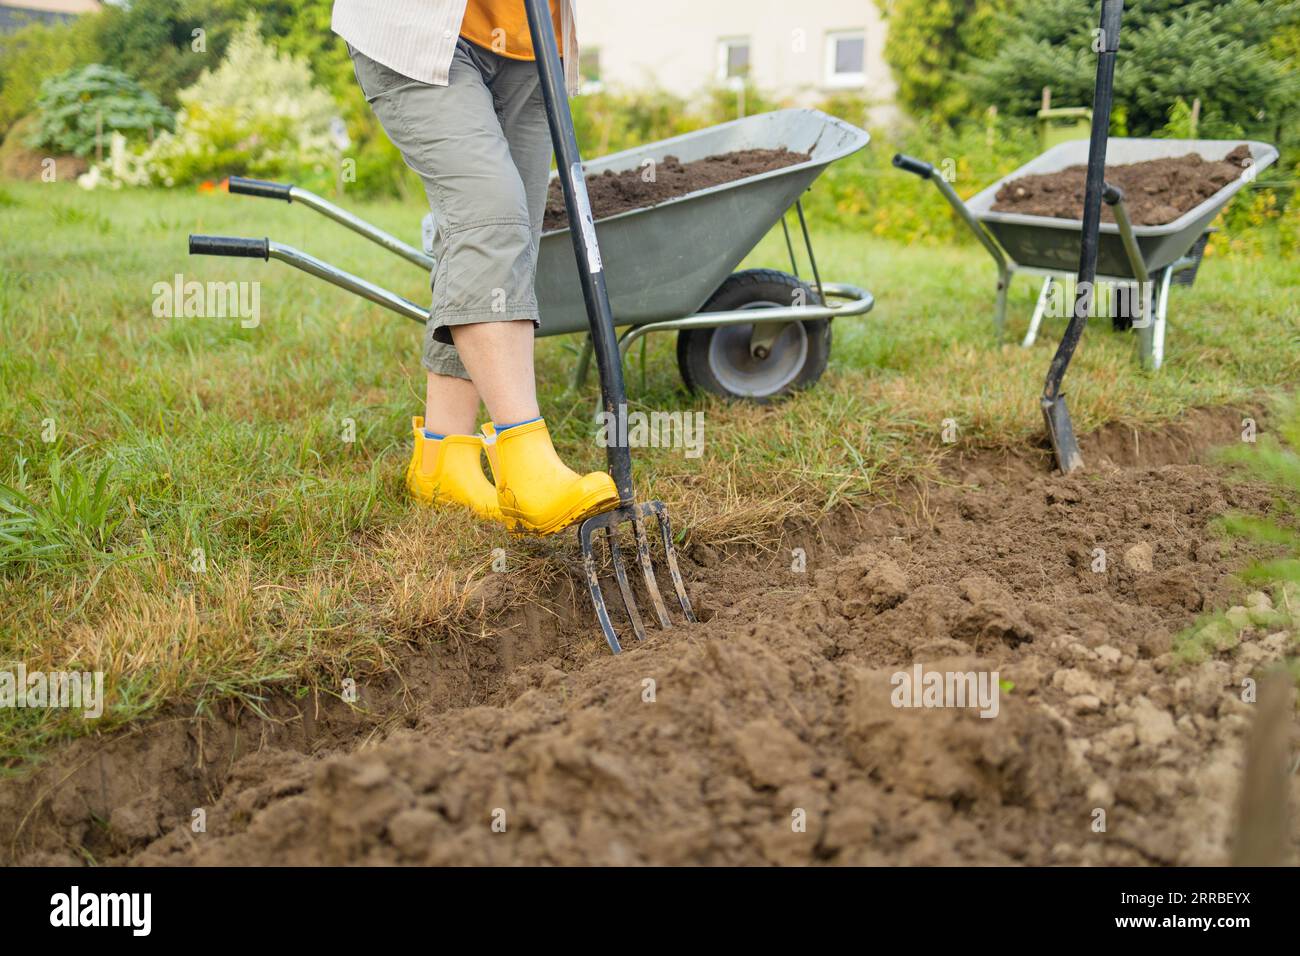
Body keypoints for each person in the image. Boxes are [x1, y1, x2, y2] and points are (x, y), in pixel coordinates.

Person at [331, 0, 617, 535]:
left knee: (508, 232)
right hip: (422, 29)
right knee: (490, 212)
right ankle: (525, 458)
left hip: (535, 39)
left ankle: (445, 459)